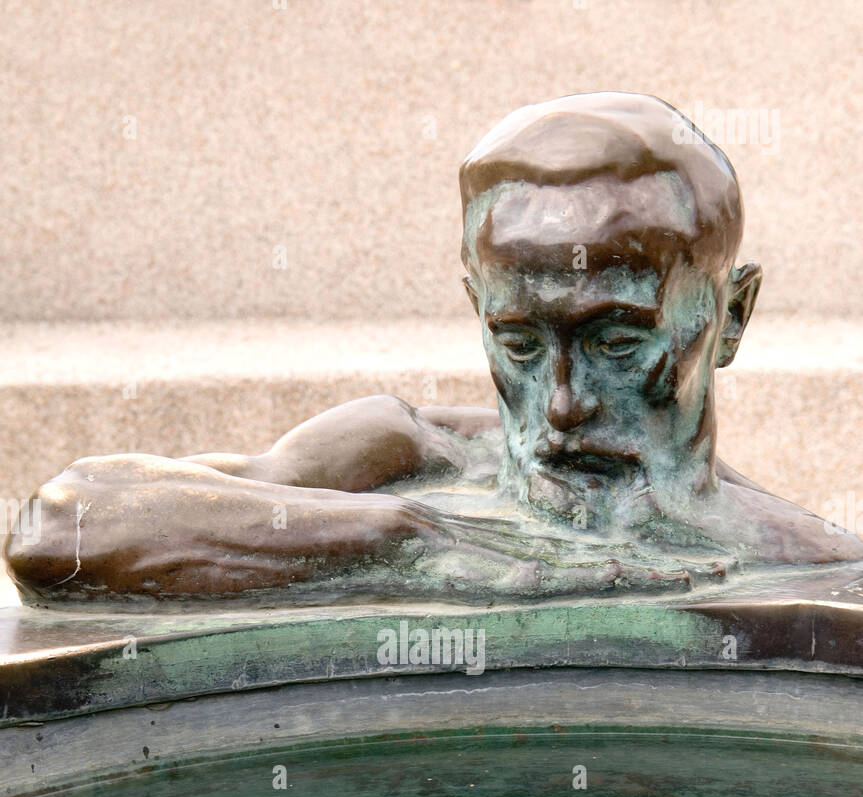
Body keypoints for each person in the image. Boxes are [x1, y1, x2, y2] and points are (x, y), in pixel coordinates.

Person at [7, 93, 861, 603]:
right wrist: (420, 539)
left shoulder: (815, 570)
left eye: (613, 340)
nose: (561, 403)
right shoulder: (410, 454)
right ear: (475, 308)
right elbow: (62, 525)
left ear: (732, 317)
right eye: (520, 344)